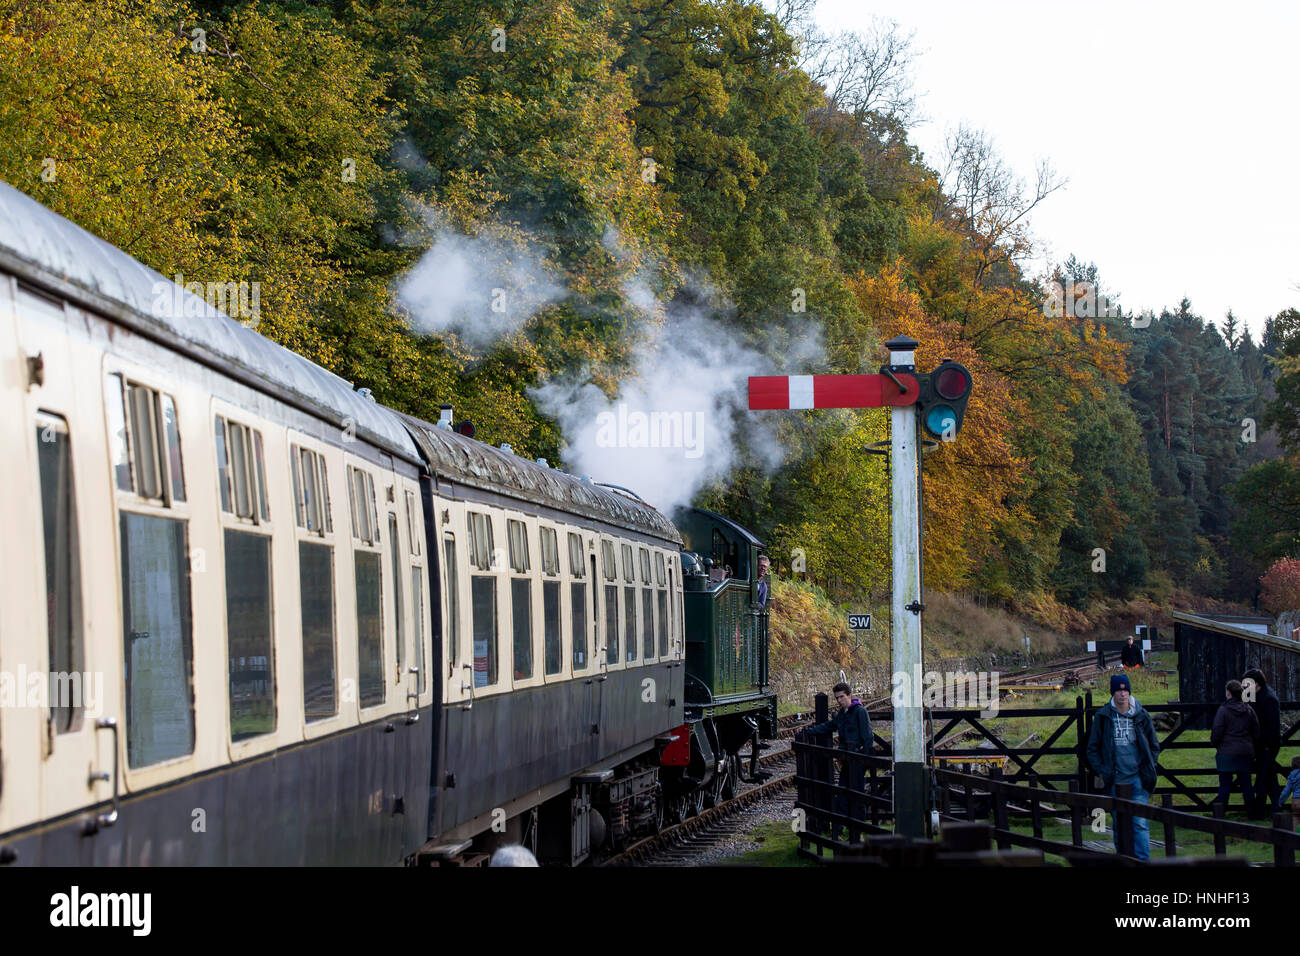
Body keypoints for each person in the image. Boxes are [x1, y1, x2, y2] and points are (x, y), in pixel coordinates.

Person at [1086, 673, 1160, 861]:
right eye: (1118, 690)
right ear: (1113, 693)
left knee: (1139, 823)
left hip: (1138, 778)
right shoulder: (1103, 717)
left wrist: (1149, 765)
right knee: (1119, 823)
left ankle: (1143, 861)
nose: (1122, 694)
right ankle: (1124, 859)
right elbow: (1092, 748)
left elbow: (1153, 745)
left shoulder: (1141, 715)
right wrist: (1102, 770)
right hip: (1115, 779)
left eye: (1125, 690)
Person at [805, 682, 873, 838]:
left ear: (850, 695)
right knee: (842, 794)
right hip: (846, 759)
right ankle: (840, 830)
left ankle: (857, 831)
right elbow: (829, 726)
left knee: (857, 795)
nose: (840, 700)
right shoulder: (843, 714)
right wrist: (810, 731)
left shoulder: (859, 712)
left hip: (857, 758)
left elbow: (868, 737)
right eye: (837, 698)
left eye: (842, 697)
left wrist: (863, 757)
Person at [1210, 679, 1259, 814]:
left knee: (1225, 785)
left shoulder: (1224, 710)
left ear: (1229, 693)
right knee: (1246, 785)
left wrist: (1216, 744)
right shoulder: (1248, 710)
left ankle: (1220, 813)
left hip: (1227, 752)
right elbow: (1256, 731)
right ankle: (1252, 813)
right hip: (1245, 752)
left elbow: (1217, 730)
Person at [1243, 667, 1281, 819]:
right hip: (1261, 744)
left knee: (1264, 779)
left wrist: (1264, 744)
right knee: (1270, 778)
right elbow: (1247, 707)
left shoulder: (1268, 699)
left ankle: (1258, 813)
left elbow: (1271, 726)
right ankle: (1276, 809)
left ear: (1256, 683)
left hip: (1267, 745)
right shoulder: (1258, 695)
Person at [1278, 755, 1300, 828]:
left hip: (1295, 802)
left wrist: (1281, 801)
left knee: (1295, 817)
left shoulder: (1292, 776)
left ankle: (1293, 836)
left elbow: (1286, 791)